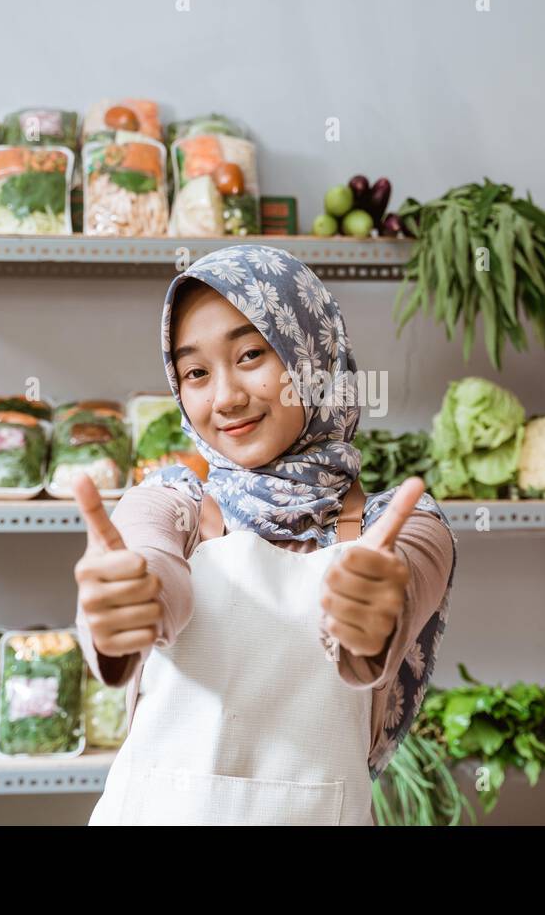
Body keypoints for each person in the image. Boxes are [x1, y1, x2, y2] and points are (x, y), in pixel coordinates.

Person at [74, 244, 457, 825]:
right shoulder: (170, 504)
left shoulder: (401, 528)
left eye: (251, 354)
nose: (224, 397)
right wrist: (128, 602)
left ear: (313, 355)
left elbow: (386, 614)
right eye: (195, 372)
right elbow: (151, 570)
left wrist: (372, 612)